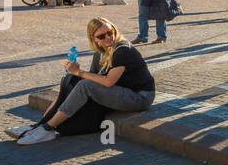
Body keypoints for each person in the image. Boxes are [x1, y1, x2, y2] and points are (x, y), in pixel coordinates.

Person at [11, 17, 156, 144]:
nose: (108, 38)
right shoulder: (100, 52)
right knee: (71, 79)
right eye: (102, 36)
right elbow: (93, 76)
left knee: (84, 84)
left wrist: (80, 72)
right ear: (94, 39)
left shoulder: (122, 49)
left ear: (114, 30)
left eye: (110, 32)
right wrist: (76, 73)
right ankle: (40, 124)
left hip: (140, 97)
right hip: (122, 92)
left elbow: (108, 82)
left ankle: (48, 129)